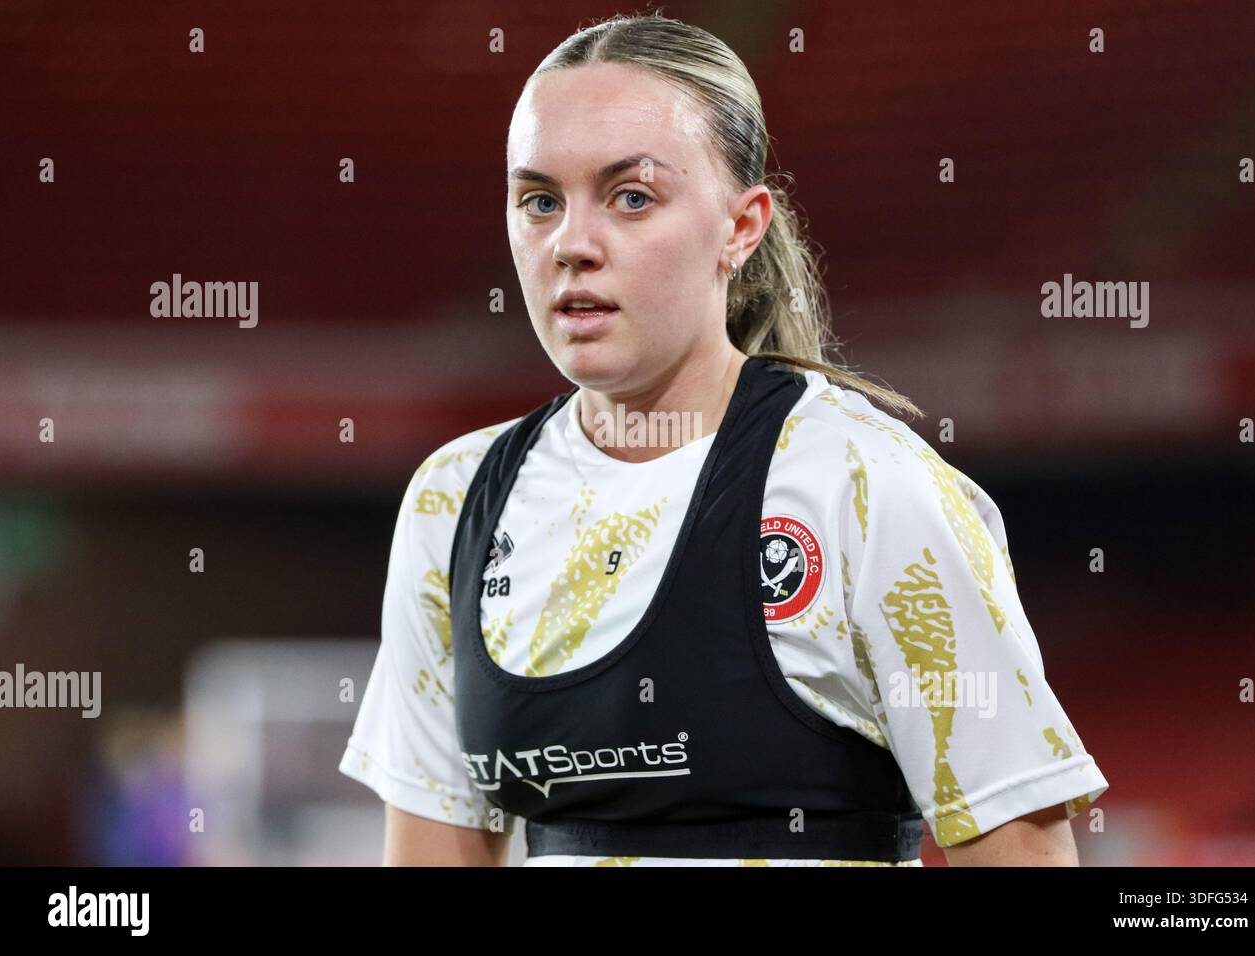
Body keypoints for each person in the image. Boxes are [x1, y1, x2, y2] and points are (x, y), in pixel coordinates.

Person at [338, 10, 1108, 867]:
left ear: (741, 228)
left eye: (632, 197)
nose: (572, 245)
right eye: (540, 200)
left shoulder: (864, 485)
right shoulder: (454, 500)